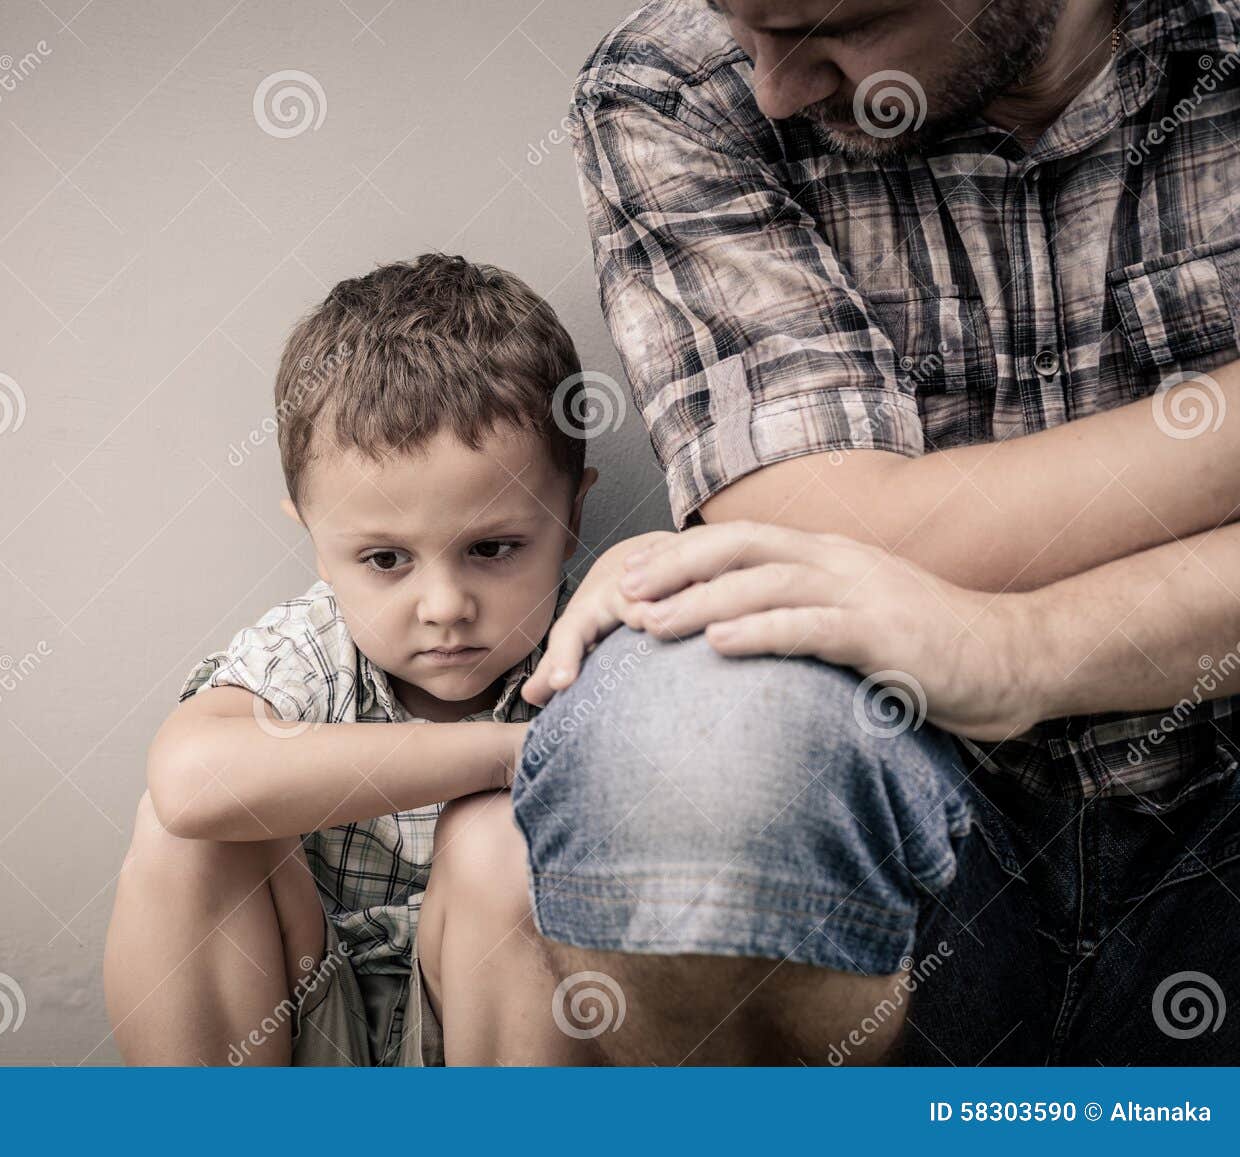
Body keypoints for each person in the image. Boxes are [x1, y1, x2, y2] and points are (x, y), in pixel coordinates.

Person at [512, 0, 1240, 1064]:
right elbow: (831, 537)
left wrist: (1025, 649)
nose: (771, 84)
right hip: (923, 836)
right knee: (683, 747)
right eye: (739, 21)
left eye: (833, 26)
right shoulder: (676, 86)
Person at [103, 253, 654, 1065]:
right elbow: (188, 779)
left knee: (504, 838)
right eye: (387, 560)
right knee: (188, 831)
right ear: (318, 545)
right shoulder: (316, 648)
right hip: (308, 1032)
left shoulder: (596, 654)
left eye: (493, 547)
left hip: (507, 1030)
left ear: (571, 518)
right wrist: (515, 752)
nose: (444, 606)